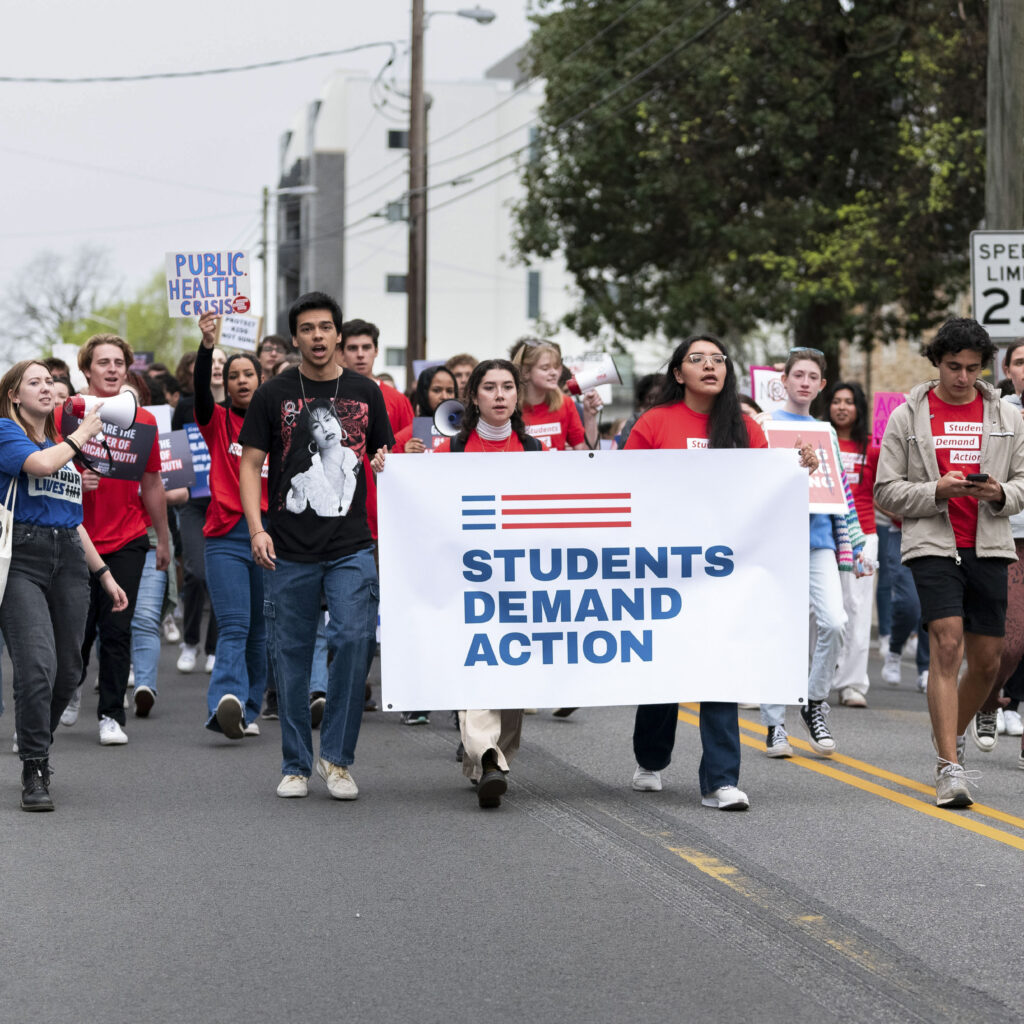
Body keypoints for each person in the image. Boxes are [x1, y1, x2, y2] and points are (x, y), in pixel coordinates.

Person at [622, 336, 818, 810]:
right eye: (697, 359)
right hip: (663, 567)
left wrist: (797, 470)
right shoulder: (653, 423)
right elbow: (624, 487)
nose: (710, 366)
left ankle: (720, 781)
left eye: (717, 359)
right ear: (677, 373)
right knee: (664, 668)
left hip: (723, 571)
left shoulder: (746, 428)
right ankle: (650, 760)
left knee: (720, 667)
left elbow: (765, 491)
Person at [239, 291, 392, 800]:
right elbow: (250, 464)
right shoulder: (272, 394)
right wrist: (257, 528)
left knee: (353, 640)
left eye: (326, 327)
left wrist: (398, 459)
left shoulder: (366, 392)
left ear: (339, 334)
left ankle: (338, 761)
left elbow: (382, 455)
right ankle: (295, 765)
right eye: (308, 329)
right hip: (287, 547)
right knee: (292, 654)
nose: (319, 336)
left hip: (352, 545)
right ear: (297, 336)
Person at [875, 317, 1024, 808]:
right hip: (933, 543)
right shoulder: (906, 416)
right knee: (947, 644)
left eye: (972, 368)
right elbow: (885, 490)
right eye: (953, 367)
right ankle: (948, 766)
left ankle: (950, 736)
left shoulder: (1007, 416)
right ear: (937, 362)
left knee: (987, 662)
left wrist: (999, 491)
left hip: (989, 543)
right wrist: (934, 490)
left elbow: (1023, 483)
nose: (962, 377)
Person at [0, 361, 128, 810]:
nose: (46, 387)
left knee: (70, 671)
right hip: (22, 560)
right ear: (14, 395)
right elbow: (38, 465)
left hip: (70, 560)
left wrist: (104, 573)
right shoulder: (5, 432)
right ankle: (35, 765)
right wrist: (81, 437)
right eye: (33, 382)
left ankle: (37, 738)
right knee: (37, 666)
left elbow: (73, 522)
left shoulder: (60, 444)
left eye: (50, 381)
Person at [435, 359, 543, 808]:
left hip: (520, 584)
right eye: (489, 388)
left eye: (507, 387)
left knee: (512, 675)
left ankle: (493, 757)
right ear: (473, 397)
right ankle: (488, 758)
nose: (499, 395)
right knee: (479, 667)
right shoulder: (451, 453)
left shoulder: (536, 453)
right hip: (469, 582)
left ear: (517, 396)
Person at [760, 348, 866, 760]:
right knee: (779, 630)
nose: (804, 382)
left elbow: (839, 490)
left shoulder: (826, 432)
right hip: (776, 541)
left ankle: (814, 700)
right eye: (797, 374)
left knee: (835, 622)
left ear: (821, 385)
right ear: (783, 380)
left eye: (812, 377)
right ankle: (774, 723)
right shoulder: (764, 425)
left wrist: (854, 543)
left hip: (819, 538)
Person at [68, 334, 170, 746]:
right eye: (102, 362)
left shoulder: (143, 420)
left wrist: (162, 539)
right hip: (76, 537)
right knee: (78, 629)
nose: (111, 369)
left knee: (116, 627)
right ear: (87, 370)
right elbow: (43, 467)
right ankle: (69, 687)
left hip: (128, 537)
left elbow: (152, 482)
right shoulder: (66, 414)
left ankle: (111, 713)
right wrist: (77, 480)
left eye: (118, 363)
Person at [193, 312, 270, 741]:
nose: (241, 380)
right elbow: (202, 394)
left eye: (248, 374)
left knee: (261, 628)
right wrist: (208, 348)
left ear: (261, 380)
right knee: (236, 623)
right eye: (234, 375)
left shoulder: (279, 425)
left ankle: (249, 707)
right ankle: (226, 701)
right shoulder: (217, 421)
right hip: (225, 536)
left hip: (271, 537)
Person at [828, 381, 879, 708]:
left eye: (848, 402)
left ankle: (852, 684)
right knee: (821, 610)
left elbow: (884, 491)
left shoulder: (872, 449)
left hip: (863, 539)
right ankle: (819, 675)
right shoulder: (819, 441)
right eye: (835, 401)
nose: (842, 407)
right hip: (824, 535)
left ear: (859, 408)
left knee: (857, 609)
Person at [511, 337, 599, 450]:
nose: (554, 373)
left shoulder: (565, 403)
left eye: (556, 367)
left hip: (557, 468)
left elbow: (585, 453)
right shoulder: (509, 407)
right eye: (545, 368)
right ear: (526, 372)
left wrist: (589, 417)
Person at [392, 364, 458, 456]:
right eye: (437, 390)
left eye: (450, 391)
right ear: (424, 393)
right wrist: (404, 454)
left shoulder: (466, 432)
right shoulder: (403, 438)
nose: (445, 397)